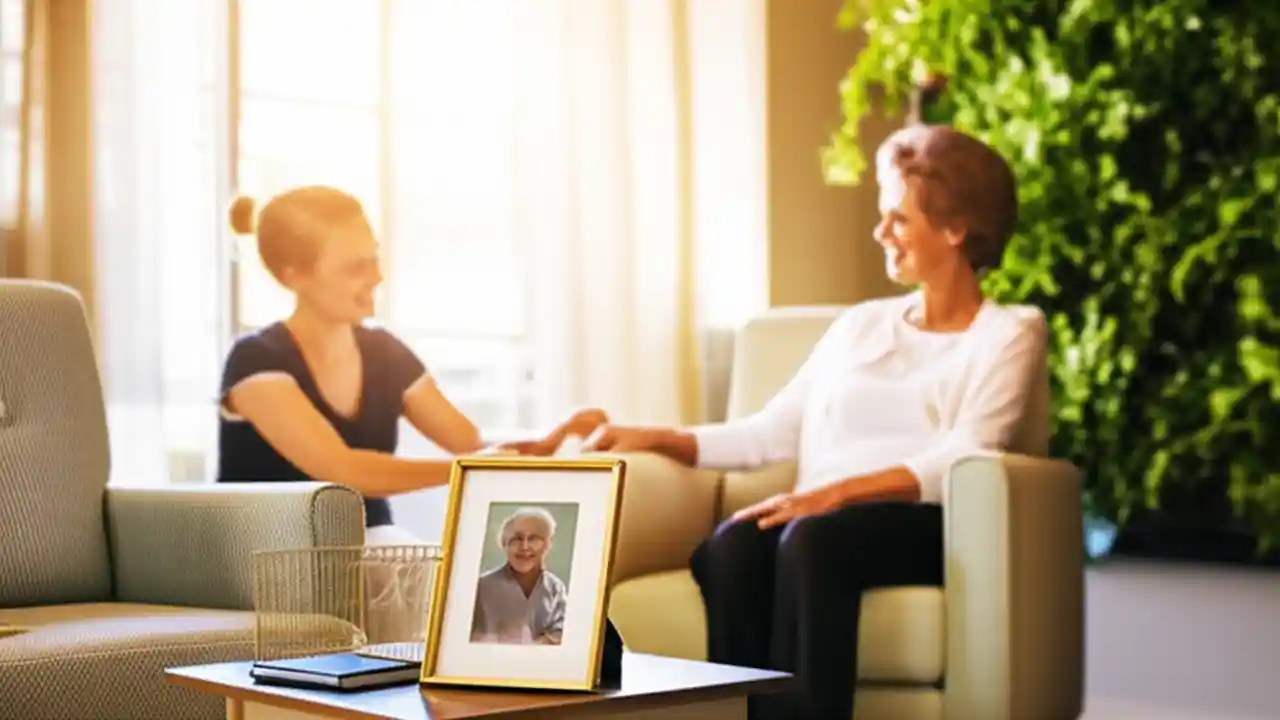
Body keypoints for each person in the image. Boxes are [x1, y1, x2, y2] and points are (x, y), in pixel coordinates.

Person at [581, 125, 1046, 718]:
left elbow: (968, 451)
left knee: (812, 540)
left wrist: (836, 493)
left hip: (928, 522)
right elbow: (769, 432)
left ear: (955, 229)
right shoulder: (860, 325)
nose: (881, 233)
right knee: (732, 548)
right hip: (822, 517)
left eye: (898, 219)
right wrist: (658, 437)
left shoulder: (1008, 332)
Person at [217, 186, 607, 544]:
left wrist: (549, 443)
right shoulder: (256, 360)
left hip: (370, 549)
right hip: (268, 558)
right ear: (294, 277)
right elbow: (343, 470)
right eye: (355, 267)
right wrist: (469, 468)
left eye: (375, 259)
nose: (377, 277)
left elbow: (471, 445)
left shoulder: (384, 353)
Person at [470, 507, 567, 645]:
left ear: (546, 545)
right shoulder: (482, 587)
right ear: (504, 545)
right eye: (516, 539)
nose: (525, 547)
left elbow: (561, 632)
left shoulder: (555, 587)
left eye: (533, 539)